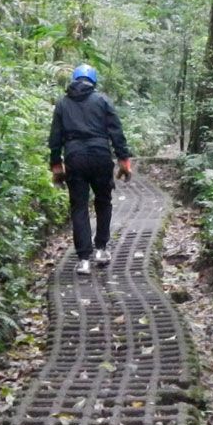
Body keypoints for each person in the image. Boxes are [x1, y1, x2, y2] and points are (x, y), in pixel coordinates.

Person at [48, 64, 133, 275]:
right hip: (100, 155)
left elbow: (55, 138)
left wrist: (56, 165)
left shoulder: (62, 103)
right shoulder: (102, 101)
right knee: (103, 202)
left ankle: (83, 259)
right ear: (93, 82)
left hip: (74, 157)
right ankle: (101, 250)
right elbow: (116, 132)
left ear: (74, 79)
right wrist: (124, 160)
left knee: (79, 206)